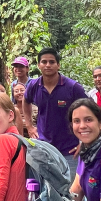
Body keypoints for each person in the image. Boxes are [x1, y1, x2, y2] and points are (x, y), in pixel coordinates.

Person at [23, 48, 88, 177]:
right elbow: (26, 101)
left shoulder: (72, 87)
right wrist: (29, 126)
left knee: (71, 187)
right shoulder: (33, 86)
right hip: (44, 148)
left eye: (52, 62)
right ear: (39, 65)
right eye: (44, 62)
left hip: (69, 149)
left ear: (58, 65)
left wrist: (84, 142)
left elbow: (90, 110)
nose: (48, 65)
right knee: (46, 186)